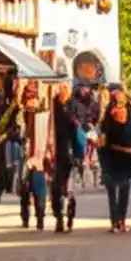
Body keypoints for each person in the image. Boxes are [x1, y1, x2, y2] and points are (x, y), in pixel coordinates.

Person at [100, 90, 131, 233]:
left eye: (122, 103)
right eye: (117, 103)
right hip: (111, 159)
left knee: (124, 191)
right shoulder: (108, 121)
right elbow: (104, 142)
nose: (120, 106)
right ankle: (114, 221)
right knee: (112, 191)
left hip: (127, 161)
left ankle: (121, 221)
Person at [13, 84, 49, 230]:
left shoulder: (44, 115)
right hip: (24, 156)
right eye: (28, 98)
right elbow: (9, 130)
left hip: (39, 156)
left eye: (34, 98)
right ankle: (25, 217)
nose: (31, 102)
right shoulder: (19, 115)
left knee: (39, 187)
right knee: (24, 188)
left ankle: (40, 218)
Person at [48, 80, 82, 233]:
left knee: (67, 187)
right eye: (60, 88)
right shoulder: (52, 104)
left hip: (69, 152)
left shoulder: (74, 105)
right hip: (55, 151)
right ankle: (59, 216)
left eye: (64, 88)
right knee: (56, 186)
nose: (62, 91)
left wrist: (78, 154)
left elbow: (79, 130)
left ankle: (68, 213)